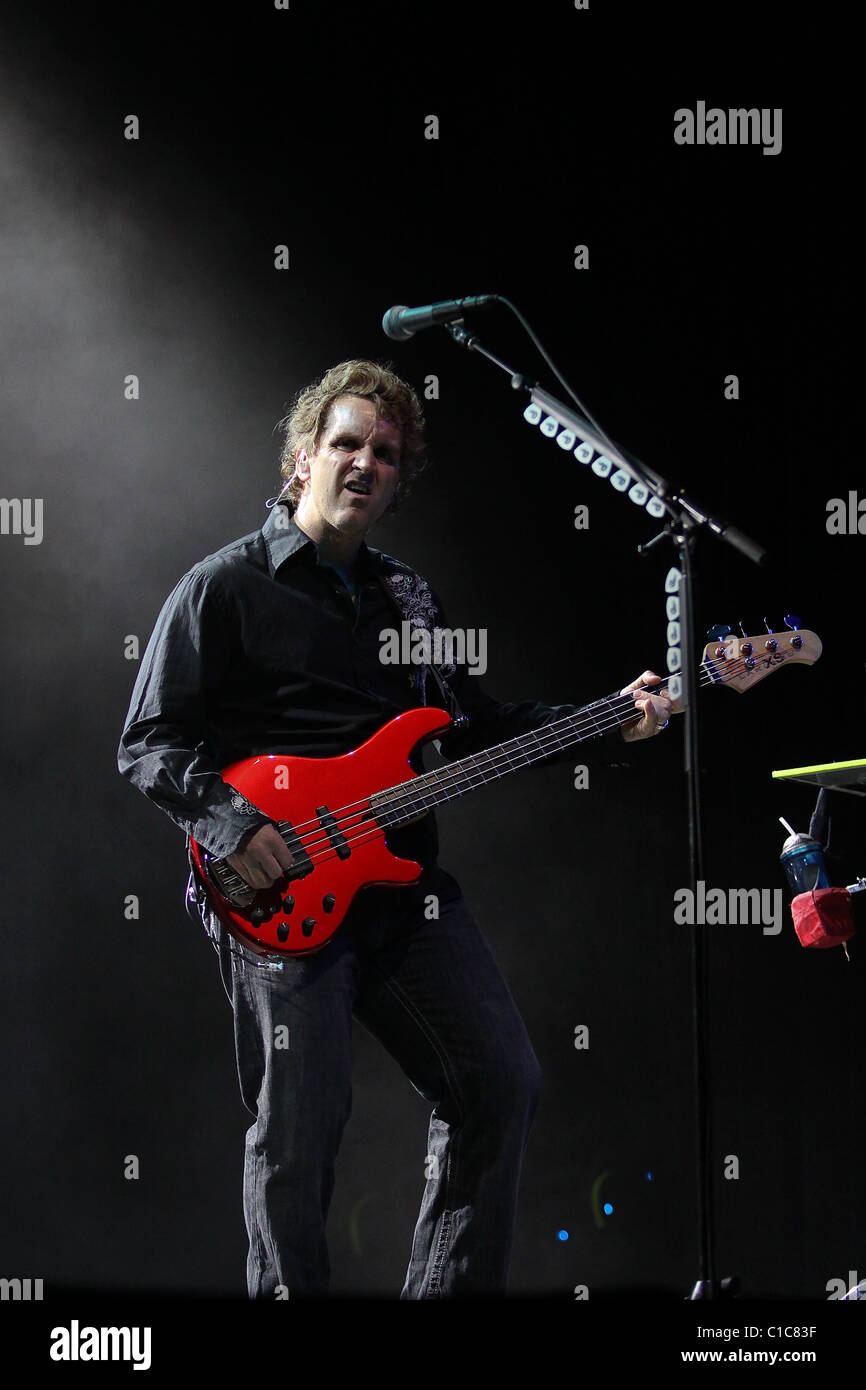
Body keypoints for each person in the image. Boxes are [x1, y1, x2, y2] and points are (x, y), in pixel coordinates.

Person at [117, 358, 672, 1299]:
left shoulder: (408, 599)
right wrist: (234, 825)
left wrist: (607, 717)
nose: (365, 464)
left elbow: (473, 728)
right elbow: (148, 740)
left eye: (385, 453)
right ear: (301, 460)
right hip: (280, 889)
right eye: (346, 445)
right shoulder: (221, 589)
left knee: (498, 1083)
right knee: (298, 1135)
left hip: (403, 892)